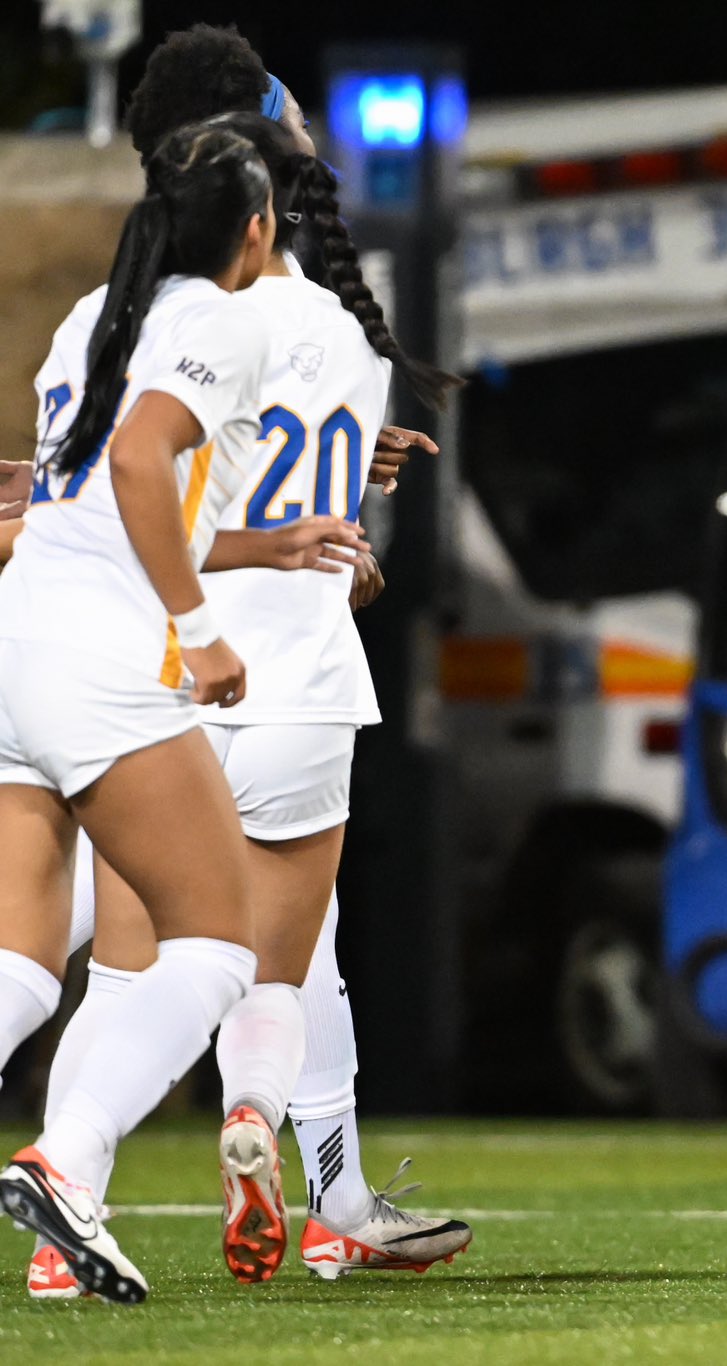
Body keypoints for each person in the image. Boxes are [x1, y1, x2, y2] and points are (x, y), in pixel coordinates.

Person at [12, 29, 471, 1298]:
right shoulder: (311, 320)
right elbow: (170, 464)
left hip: (116, 667)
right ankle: (290, 1162)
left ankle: (79, 1202)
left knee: (115, 962)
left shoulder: (96, 319)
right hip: (268, 672)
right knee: (271, 958)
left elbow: (113, 474)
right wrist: (308, 526)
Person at [0, 117, 279, 1306]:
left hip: (19, 637)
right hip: (106, 658)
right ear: (254, 230)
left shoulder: (93, 314)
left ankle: (70, 1174)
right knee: (216, 942)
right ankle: (67, 1160)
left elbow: (90, 475)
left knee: (18, 953)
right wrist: (202, 628)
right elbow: (134, 462)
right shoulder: (221, 316)